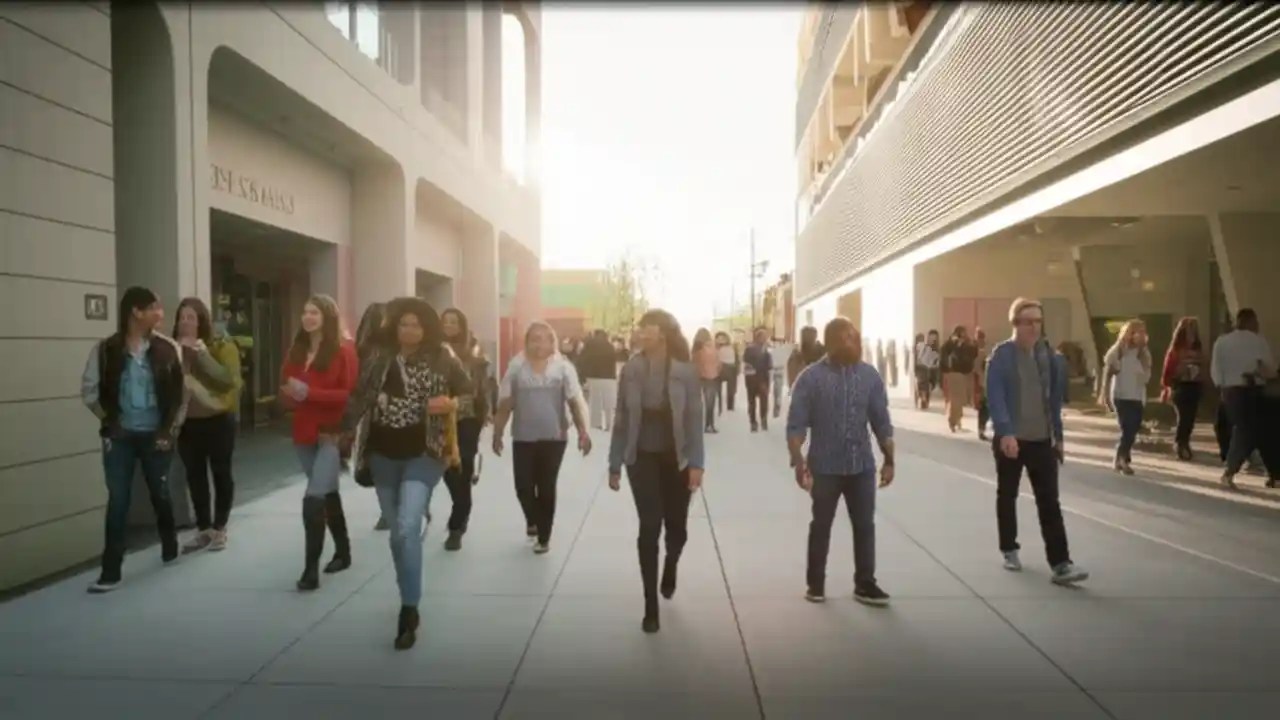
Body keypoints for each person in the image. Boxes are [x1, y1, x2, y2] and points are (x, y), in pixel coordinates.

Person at [341, 297, 471, 649]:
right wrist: (343, 433)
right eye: (403, 324)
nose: (409, 329)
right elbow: (358, 398)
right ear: (395, 327)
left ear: (426, 327)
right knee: (398, 535)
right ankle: (408, 589)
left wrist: (453, 404)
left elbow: (473, 394)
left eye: (416, 324)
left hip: (424, 452)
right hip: (383, 454)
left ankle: (409, 610)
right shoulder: (380, 357)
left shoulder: (444, 356)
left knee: (407, 525)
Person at [81, 287, 188, 593]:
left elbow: (180, 396)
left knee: (161, 493)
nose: (161, 314)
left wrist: (170, 431)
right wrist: (109, 420)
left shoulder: (168, 349)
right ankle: (110, 571)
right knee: (118, 500)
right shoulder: (105, 350)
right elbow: (90, 390)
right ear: (136, 312)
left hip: (157, 435)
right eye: (154, 308)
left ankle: (170, 544)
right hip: (121, 436)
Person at [608, 309, 705, 633]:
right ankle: (651, 606)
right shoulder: (632, 369)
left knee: (676, 527)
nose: (640, 332)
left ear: (662, 332)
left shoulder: (686, 372)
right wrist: (615, 463)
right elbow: (621, 417)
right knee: (649, 526)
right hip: (642, 457)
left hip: (676, 458)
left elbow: (694, 421)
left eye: (645, 327)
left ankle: (671, 564)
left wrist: (696, 464)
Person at [787, 317, 893, 606]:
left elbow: (881, 421)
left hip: (862, 466)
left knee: (865, 525)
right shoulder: (810, 379)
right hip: (825, 467)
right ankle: (816, 584)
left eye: (854, 336)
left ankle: (865, 583)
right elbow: (796, 425)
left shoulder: (870, 376)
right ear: (832, 341)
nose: (852, 341)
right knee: (821, 525)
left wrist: (889, 459)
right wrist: (799, 462)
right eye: (846, 337)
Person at [985, 298, 1088, 585]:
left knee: (1049, 501)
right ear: (1015, 323)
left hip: (1042, 439)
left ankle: (1061, 563)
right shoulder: (1002, 356)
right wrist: (1005, 432)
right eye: (1027, 321)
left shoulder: (1051, 359)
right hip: (1012, 439)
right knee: (1007, 495)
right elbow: (995, 397)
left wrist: (1059, 438)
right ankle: (1009, 549)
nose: (1033, 327)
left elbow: (1054, 403)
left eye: (1038, 321)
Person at [280, 294, 359, 592]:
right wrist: (290, 395)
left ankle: (310, 570)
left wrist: (308, 393)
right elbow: (285, 386)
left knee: (314, 497)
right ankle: (344, 551)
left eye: (314, 312)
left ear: (327, 316)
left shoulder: (343, 352)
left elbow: (347, 395)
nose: (308, 317)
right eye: (305, 312)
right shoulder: (296, 350)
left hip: (331, 432)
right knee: (326, 492)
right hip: (303, 432)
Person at [492, 321, 592, 553]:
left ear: (552, 342)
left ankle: (544, 536)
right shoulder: (517, 367)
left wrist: (583, 432)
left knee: (546, 486)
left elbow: (575, 402)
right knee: (523, 487)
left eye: (544, 338)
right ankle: (533, 519)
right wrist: (498, 432)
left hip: (554, 437)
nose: (539, 343)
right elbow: (506, 403)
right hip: (523, 437)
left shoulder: (562, 368)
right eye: (533, 338)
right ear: (527, 342)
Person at [174, 297, 243, 554]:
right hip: (188, 423)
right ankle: (203, 529)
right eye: (181, 317)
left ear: (202, 321)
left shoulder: (221, 345)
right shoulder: (171, 347)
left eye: (191, 317)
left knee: (221, 472)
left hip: (218, 419)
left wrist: (200, 355)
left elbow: (228, 381)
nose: (185, 322)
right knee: (194, 476)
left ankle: (220, 527)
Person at [440, 307, 490, 551]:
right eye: (445, 321)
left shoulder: (474, 351)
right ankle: (461, 505)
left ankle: (456, 526)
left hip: (469, 416)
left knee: (464, 464)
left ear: (462, 325)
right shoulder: (433, 351)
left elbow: (484, 384)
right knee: (449, 471)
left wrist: (486, 411)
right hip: (440, 418)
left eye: (454, 321)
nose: (449, 325)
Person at [1211, 307, 1278, 489]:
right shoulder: (1257, 341)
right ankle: (1231, 471)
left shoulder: (1222, 341)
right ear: (1250, 322)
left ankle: (1270, 472)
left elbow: (1216, 370)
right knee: (1250, 431)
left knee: (1245, 429)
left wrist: (1222, 388)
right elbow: (1269, 368)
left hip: (1230, 391)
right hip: (1251, 390)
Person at [1100, 319, 1152, 476]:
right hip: (1121, 396)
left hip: (1137, 396)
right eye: (1136, 332)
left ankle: (1120, 458)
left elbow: (1146, 377)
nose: (1140, 335)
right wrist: (1105, 396)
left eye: (1143, 332)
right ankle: (1123, 459)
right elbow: (1108, 374)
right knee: (1127, 428)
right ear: (1129, 334)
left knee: (1133, 428)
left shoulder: (1144, 353)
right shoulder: (1118, 351)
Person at [1161, 317, 1207, 461]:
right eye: (1189, 330)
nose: (1192, 334)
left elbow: (1204, 367)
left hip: (1195, 386)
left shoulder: (1198, 350)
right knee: (1184, 417)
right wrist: (1179, 372)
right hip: (1180, 387)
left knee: (1191, 418)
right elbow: (1167, 374)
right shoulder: (1175, 351)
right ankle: (1180, 444)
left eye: (1194, 330)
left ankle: (1184, 442)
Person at [940, 326, 978, 432]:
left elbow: (973, 353)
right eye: (963, 332)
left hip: (964, 373)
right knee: (956, 399)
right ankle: (952, 420)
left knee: (960, 399)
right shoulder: (952, 343)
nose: (965, 334)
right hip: (954, 372)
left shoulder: (967, 343)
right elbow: (944, 353)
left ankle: (957, 419)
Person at [581, 329, 620, 431]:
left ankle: (596, 425)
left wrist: (582, 376)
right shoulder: (610, 346)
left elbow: (583, 360)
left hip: (594, 377)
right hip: (610, 378)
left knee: (595, 403)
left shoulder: (590, 345)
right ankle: (609, 424)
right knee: (609, 404)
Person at [742, 327, 773, 432]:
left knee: (753, 401)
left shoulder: (750, 349)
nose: (765, 339)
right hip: (761, 379)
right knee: (761, 401)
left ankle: (755, 422)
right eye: (764, 337)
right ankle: (761, 421)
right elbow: (769, 366)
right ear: (759, 338)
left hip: (753, 379)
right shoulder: (765, 350)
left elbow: (745, 361)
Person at [692, 328, 722, 433]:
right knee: (710, 403)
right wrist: (717, 372)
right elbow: (719, 363)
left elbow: (693, 363)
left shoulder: (696, 349)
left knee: (696, 403)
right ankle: (709, 425)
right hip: (712, 377)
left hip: (698, 377)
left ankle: (695, 425)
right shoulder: (713, 348)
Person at [769, 336, 793, 419]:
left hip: (775, 372)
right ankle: (777, 409)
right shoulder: (785, 350)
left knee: (776, 392)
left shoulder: (772, 350)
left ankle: (776, 409)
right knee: (777, 392)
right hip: (778, 371)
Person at [973, 328, 991, 440]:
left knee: (985, 408)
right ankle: (981, 429)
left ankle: (982, 428)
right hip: (981, 383)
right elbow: (976, 370)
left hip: (985, 383)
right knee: (983, 408)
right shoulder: (977, 352)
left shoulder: (984, 351)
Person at [915, 331, 940, 410]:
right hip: (923, 369)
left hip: (929, 369)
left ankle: (924, 398)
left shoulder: (933, 348)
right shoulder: (922, 347)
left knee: (928, 385)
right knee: (923, 384)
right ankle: (923, 398)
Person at [715, 331, 738, 413]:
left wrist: (737, 370)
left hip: (730, 367)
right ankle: (721, 406)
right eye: (719, 338)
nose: (721, 340)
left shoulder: (732, 347)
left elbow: (736, 359)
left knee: (731, 390)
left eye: (723, 338)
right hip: (721, 367)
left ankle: (730, 407)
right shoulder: (715, 348)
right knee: (718, 389)